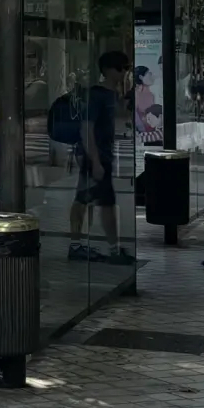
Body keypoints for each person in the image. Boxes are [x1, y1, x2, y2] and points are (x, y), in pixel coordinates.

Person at [70, 51, 132, 264]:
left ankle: (83, 245)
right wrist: (95, 161)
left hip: (102, 154)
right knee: (95, 200)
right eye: (120, 68)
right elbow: (86, 129)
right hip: (94, 154)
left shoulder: (112, 95)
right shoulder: (96, 95)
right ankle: (102, 248)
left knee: (91, 199)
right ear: (107, 70)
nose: (124, 72)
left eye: (126, 68)